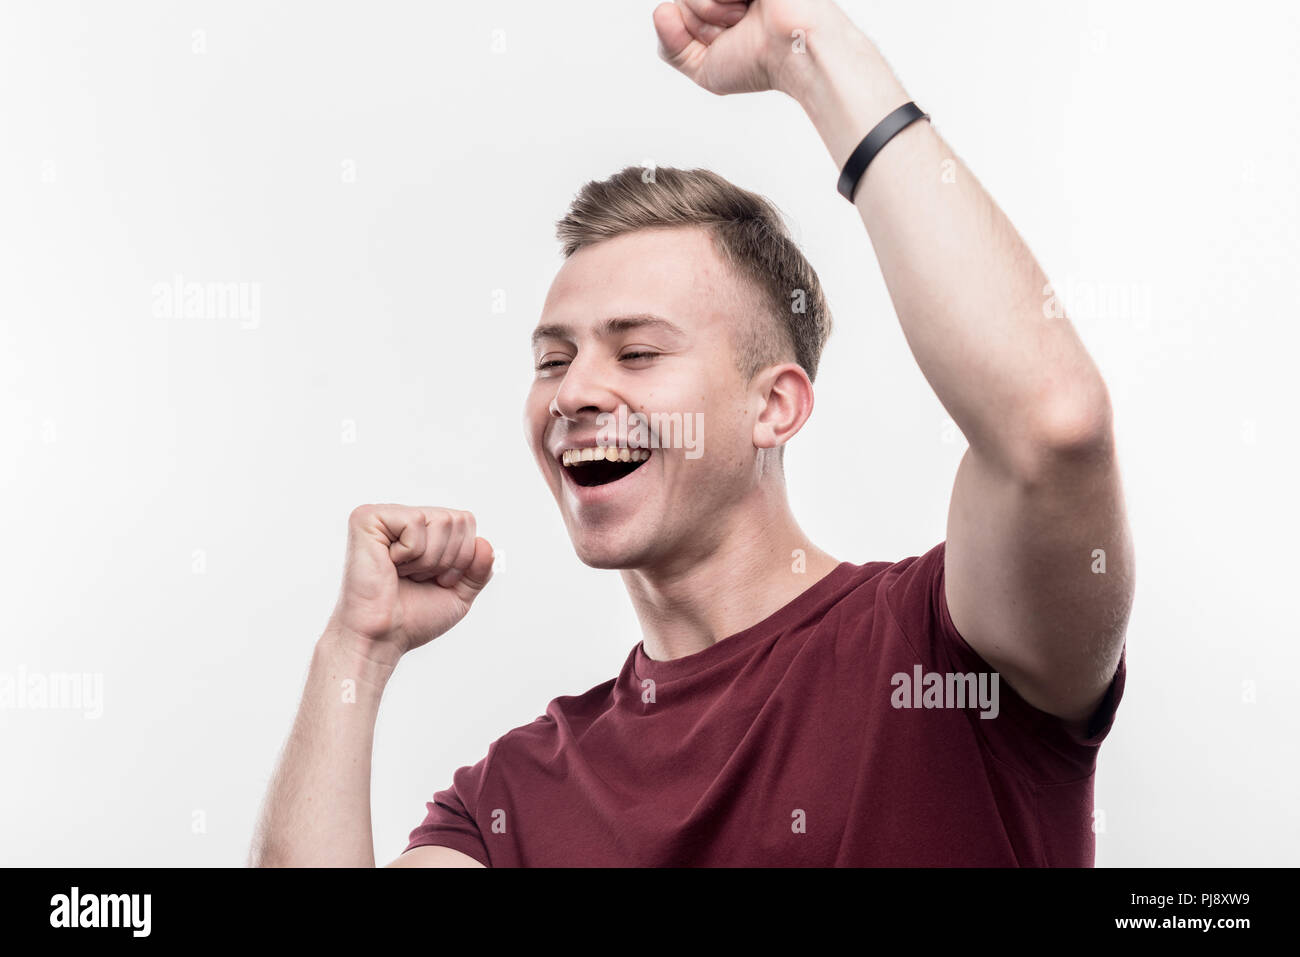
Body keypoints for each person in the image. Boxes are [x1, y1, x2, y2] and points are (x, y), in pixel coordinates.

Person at [250, 0, 1134, 867]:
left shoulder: (945, 655)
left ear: (775, 406)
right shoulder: (512, 798)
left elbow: (1053, 424)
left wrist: (808, 47)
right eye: (553, 361)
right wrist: (355, 648)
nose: (575, 393)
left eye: (637, 351)